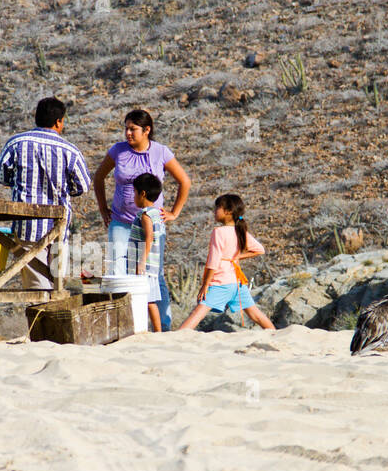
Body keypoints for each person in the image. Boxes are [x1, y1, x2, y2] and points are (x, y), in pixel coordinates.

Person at [92, 108, 191, 330]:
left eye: (133, 129)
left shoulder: (160, 152)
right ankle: (124, 324)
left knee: (154, 274)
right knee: (118, 270)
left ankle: (163, 326)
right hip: (121, 222)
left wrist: (174, 212)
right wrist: (103, 208)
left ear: (147, 130)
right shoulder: (118, 151)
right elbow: (98, 177)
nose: (128, 133)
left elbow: (184, 181)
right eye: (126, 128)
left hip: (150, 225)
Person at [0, 96, 91, 289]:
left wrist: (19, 183)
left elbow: (0, 175)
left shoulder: (16, 143)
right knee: (57, 285)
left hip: (26, 226)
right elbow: (83, 186)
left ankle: (39, 317)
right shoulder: (70, 151)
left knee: (36, 288)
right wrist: (64, 189)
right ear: (58, 122)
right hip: (58, 227)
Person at [178, 193, 275, 331]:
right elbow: (260, 249)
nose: (214, 211)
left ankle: (178, 337)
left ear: (228, 211)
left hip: (220, 282)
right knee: (255, 315)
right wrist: (235, 258)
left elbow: (214, 261)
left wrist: (205, 284)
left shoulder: (218, 232)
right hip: (237, 282)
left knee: (197, 313)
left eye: (218, 207)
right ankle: (274, 333)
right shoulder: (240, 230)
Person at [127, 173, 165, 333]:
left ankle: (157, 331)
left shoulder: (145, 215)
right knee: (150, 300)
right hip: (153, 266)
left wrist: (141, 261)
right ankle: (156, 331)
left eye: (134, 192)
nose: (133, 196)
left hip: (145, 266)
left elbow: (149, 238)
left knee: (147, 300)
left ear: (142, 193)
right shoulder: (158, 213)